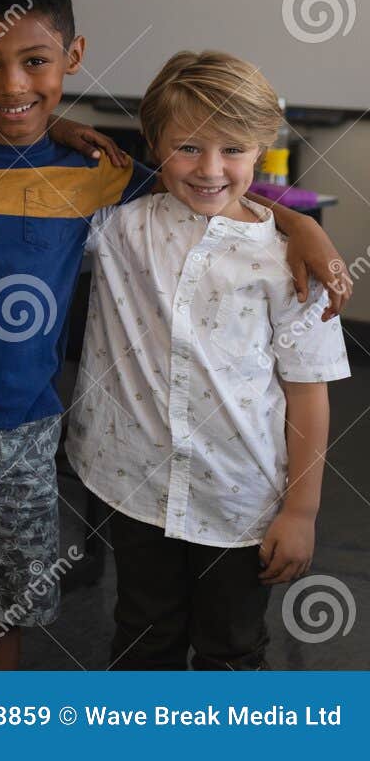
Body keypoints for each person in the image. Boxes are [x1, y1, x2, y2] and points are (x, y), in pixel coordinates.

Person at [0, 0, 349, 669]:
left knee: (195, 640)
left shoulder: (106, 182)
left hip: (72, 447)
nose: (13, 84)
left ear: (72, 57)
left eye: (35, 63)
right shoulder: (103, 201)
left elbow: (216, 202)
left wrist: (301, 224)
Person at [67, 50, 350, 669]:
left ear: (261, 148)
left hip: (241, 496)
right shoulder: (119, 224)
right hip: (135, 482)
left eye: (233, 150)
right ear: (153, 143)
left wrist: (301, 510)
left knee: (232, 649)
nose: (211, 169)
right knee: (143, 636)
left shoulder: (288, 261)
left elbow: (309, 391)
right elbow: (33, 159)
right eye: (188, 148)